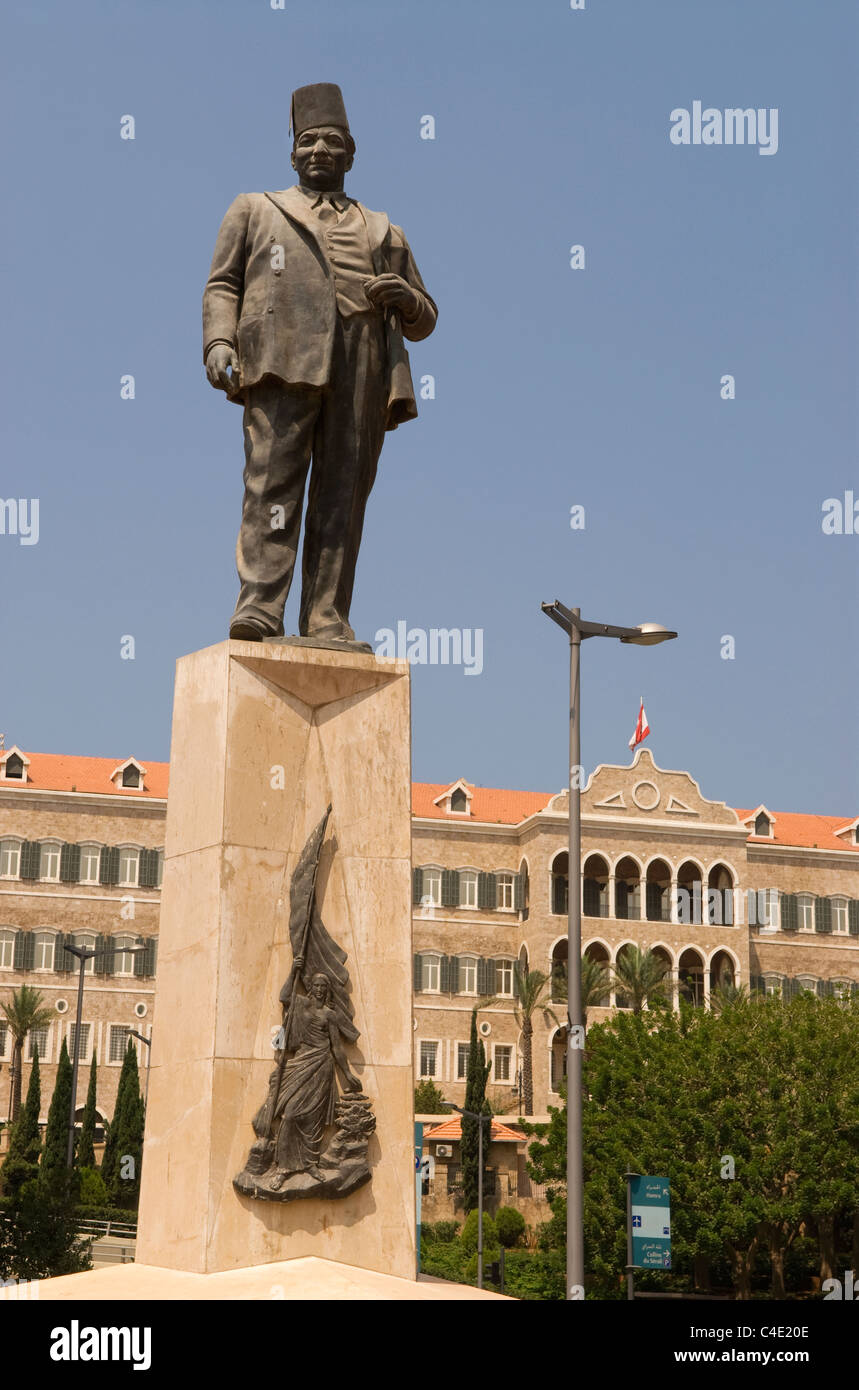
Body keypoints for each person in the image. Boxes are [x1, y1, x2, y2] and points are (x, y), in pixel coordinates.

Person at [203, 82, 437, 645]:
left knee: (342, 497)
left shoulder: (385, 229)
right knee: (271, 486)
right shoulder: (256, 210)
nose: (320, 151)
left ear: (351, 155)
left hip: (362, 363)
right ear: (292, 154)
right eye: (308, 141)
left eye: (333, 142)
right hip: (281, 359)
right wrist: (219, 343)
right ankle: (259, 606)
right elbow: (222, 284)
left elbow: (425, 316)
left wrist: (405, 298)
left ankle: (326, 616)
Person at [263, 969, 362, 1190]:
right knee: (289, 1115)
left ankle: (310, 1164)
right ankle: (282, 1168)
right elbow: (284, 1000)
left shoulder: (330, 1014)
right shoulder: (299, 1006)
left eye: (323, 987)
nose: (319, 990)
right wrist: (293, 969)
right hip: (300, 1062)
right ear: (311, 988)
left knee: (313, 1120)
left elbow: (337, 1046)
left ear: (327, 991)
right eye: (316, 986)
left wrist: (347, 1074)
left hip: (322, 1066)